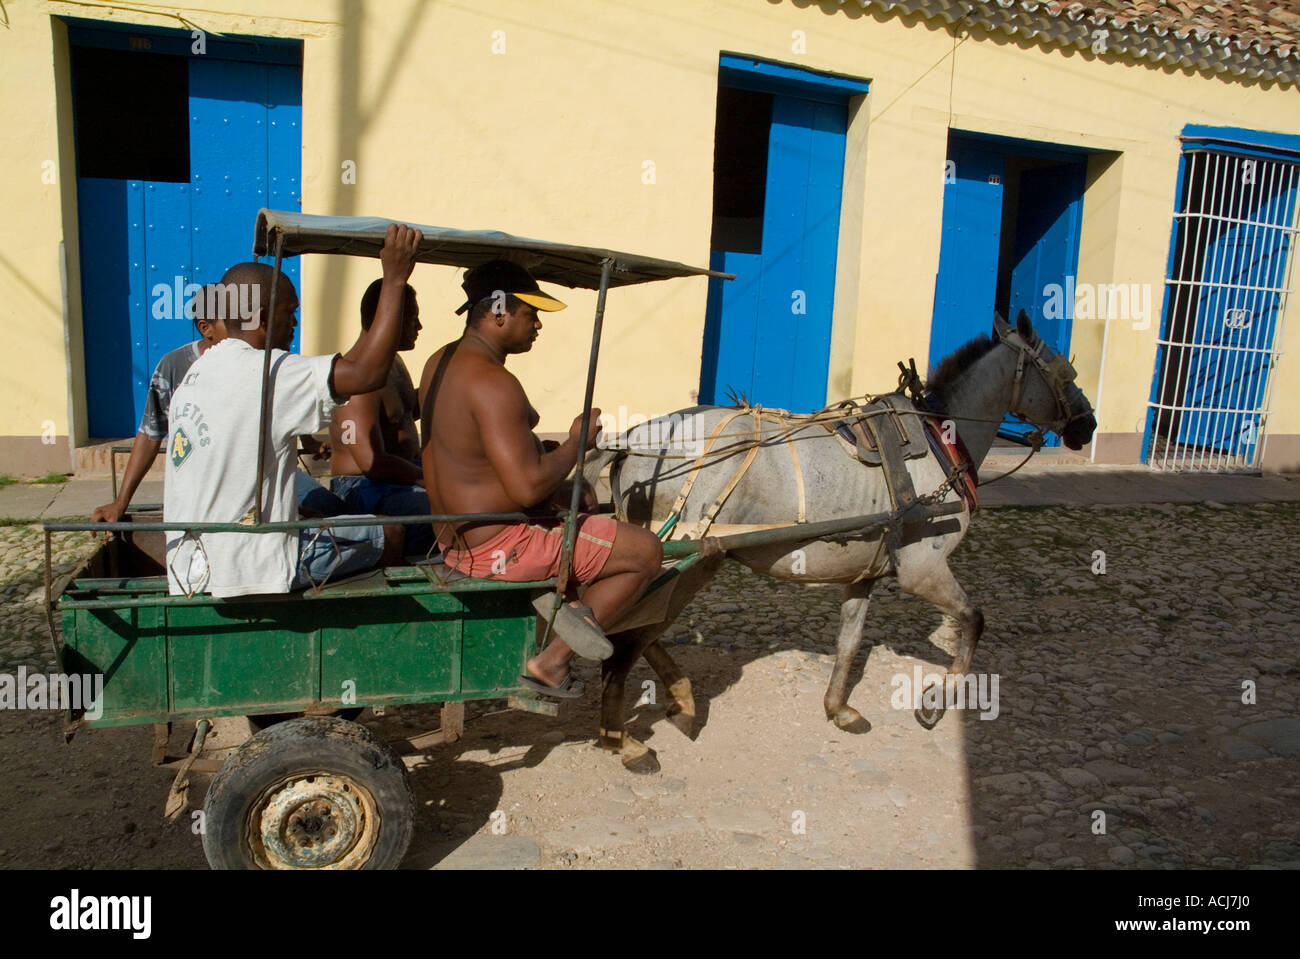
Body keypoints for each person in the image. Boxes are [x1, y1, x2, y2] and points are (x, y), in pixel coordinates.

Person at [418, 259, 663, 698]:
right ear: (498, 312)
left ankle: (571, 605)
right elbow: (527, 487)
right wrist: (576, 445)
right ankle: (551, 663)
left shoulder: (441, 360)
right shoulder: (495, 382)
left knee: (579, 500)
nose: (538, 325)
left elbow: (484, 458)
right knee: (646, 551)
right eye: (531, 314)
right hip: (498, 545)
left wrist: (556, 474)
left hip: (455, 537)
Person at [164, 224, 422, 598]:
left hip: (190, 563)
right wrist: (395, 279)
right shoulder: (270, 369)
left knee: (324, 513)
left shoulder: (198, 372)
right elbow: (366, 372)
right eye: (291, 312)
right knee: (394, 530)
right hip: (249, 563)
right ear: (265, 318)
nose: (296, 323)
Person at [91, 286, 228, 524]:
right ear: (206, 328)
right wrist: (121, 501)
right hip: (195, 496)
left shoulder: (256, 362)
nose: (243, 332)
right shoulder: (175, 366)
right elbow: (150, 434)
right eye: (233, 324)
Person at [329, 279, 435, 557]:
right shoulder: (355, 374)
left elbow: (403, 414)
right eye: (412, 318)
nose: (420, 326)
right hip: (361, 486)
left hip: (402, 475)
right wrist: (428, 478)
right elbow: (369, 463)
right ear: (385, 319)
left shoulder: (392, 363)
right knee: (445, 506)